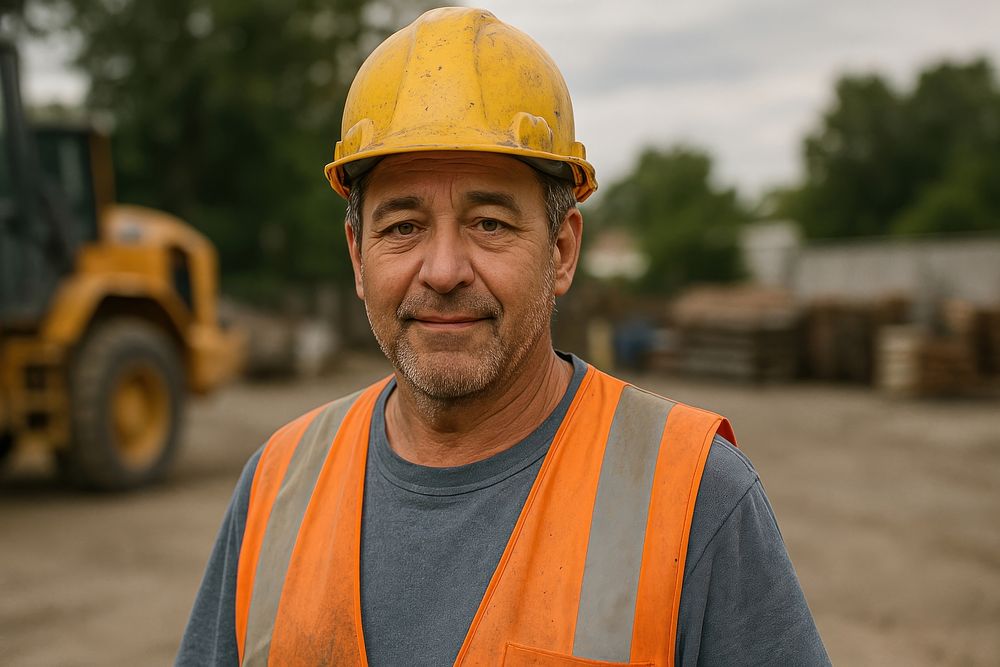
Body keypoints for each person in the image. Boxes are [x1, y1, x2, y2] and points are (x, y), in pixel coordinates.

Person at [177, 7, 830, 666]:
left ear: (562, 250)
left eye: (489, 222)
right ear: (356, 254)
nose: (443, 270)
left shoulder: (694, 495)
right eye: (402, 225)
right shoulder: (276, 486)